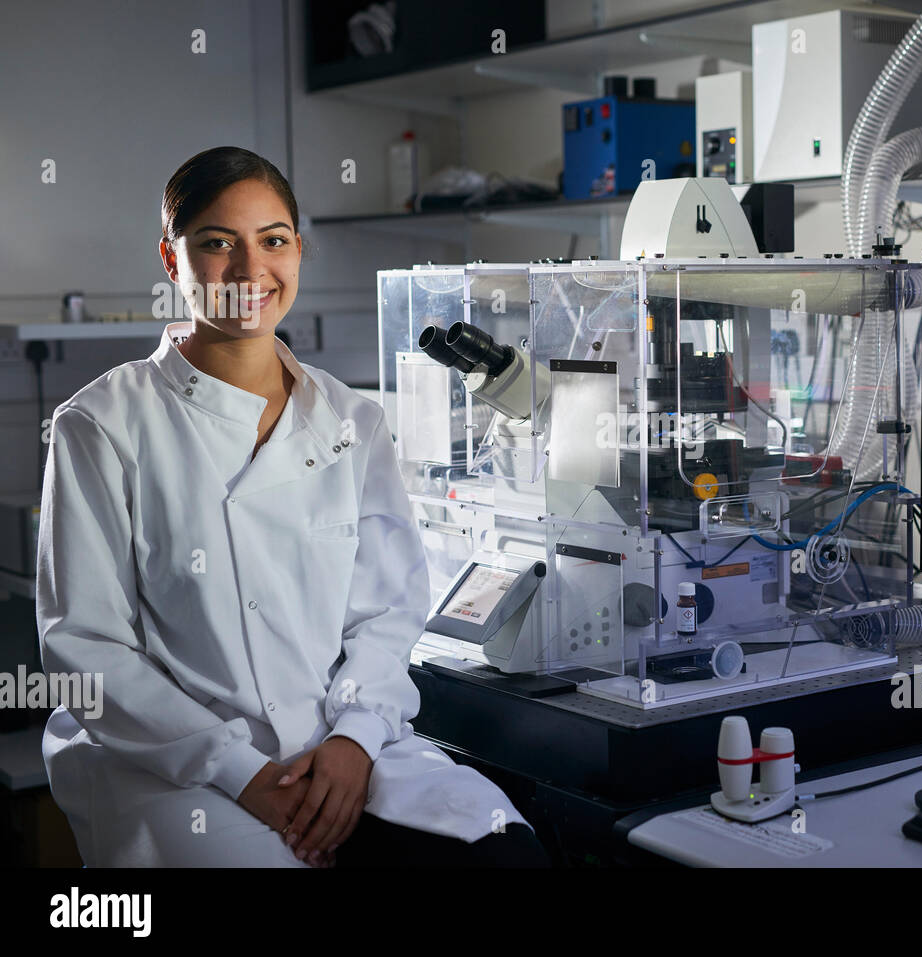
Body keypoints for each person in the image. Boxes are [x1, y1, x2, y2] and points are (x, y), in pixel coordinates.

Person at [36, 146, 548, 868]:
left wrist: (354, 738)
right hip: (171, 765)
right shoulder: (102, 424)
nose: (250, 271)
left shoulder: (349, 418)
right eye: (217, 244)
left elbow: (386, 611)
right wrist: (241, 772)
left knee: (504, 854)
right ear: (170, 258)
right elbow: (84, 649)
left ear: (298, 250)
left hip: (336, 741)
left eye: (272, 240)